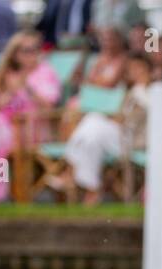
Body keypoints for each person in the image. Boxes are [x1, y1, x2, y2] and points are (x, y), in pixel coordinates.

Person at [0, 30, 60, 202]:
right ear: (15, 54)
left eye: (35, 49)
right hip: (6, 129)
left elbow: (50, 105)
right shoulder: (8, 75)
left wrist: (27, 88)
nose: (32, 54)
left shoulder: (45, 73)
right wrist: (11, 92)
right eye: (26, 50)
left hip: (32, 130)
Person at [58, 51, 149, 204]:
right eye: (131, 68)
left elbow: (141, 114)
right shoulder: (127, 91)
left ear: (147, 70)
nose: (134, 72)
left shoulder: (152, 91)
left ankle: (71, 170)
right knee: (91, 135)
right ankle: (91, 188)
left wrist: (141, 87)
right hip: (118, 137)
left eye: (138, 68)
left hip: (135, 142)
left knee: (93, 121)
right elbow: (120, 117)